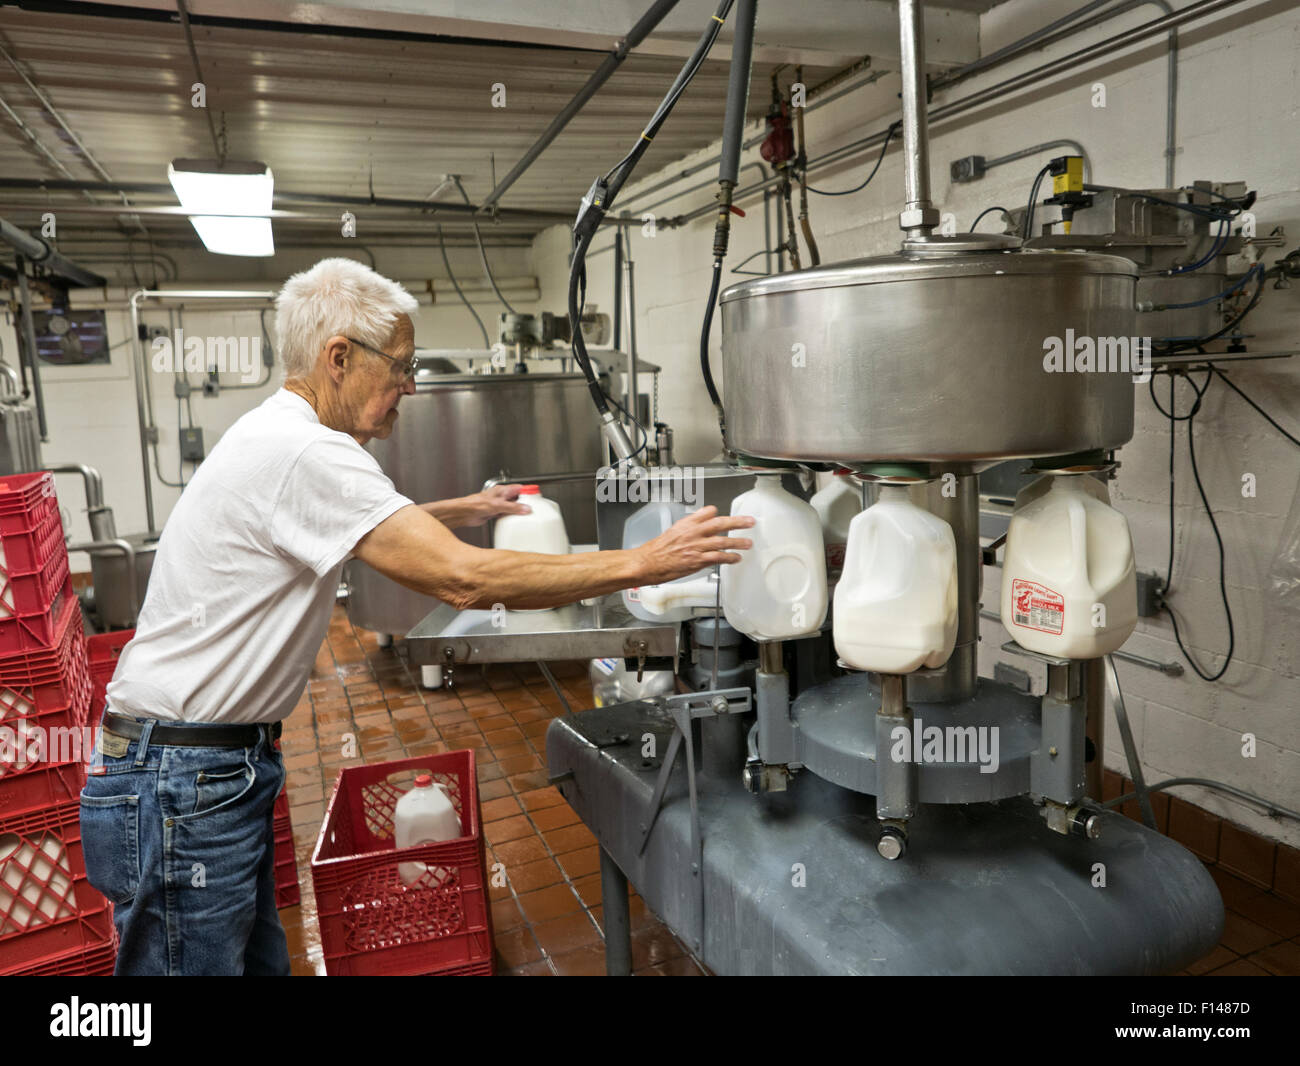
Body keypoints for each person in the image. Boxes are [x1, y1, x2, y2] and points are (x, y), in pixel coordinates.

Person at [79, 257, 753, 976]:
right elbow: (463, 579)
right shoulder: (309, 451)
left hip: (196, 768)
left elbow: (341, 526)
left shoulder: (277, 435)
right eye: (400, 365)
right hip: (185, 778)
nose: (410, 384)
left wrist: (459, 509)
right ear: (339, 358)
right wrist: (642, 563)